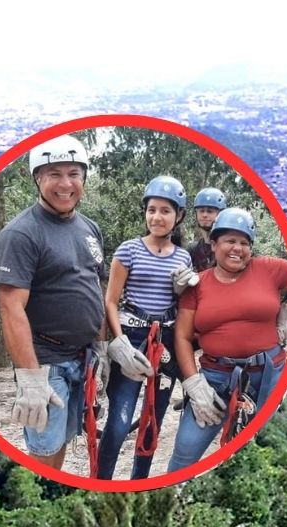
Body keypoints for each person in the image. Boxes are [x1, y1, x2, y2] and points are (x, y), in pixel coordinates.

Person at [0, 134, 108, 470]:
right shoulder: (21, 234)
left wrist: (100, 348)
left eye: (73, 173)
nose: (65, 184)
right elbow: (10, 307)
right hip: (46, 362)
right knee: (45, 451)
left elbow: (94, 286)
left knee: (66, 436)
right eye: (54, 174)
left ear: (84, 178)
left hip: (80, 356)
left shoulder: (89, 229)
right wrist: (30, 378)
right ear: (37, 178)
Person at [167, 207, 287, 472]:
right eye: (230, 241)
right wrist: (193, 382)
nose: (237, 248)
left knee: (260, 459)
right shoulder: (197, 284)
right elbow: (181, 336)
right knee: (185, 449)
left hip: (268, 374)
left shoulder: (269, 269)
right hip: (216, 377)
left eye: (244, 243)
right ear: (213, 244)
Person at [95, 175, 197, 479]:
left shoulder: (183, 257)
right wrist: (119, 341)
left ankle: (138, 483)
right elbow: (110, 301)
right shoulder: (129, 250)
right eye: (152, 209)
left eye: (165, 211)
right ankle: (101, 480)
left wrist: (183, 290)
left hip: (165, 339)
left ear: (178, 216)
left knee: (153, 419)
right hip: (133, 334)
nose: (157, 217)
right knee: (120, 420)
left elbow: (183, 306)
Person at [187, 187, 226, 271]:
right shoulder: (192, 250)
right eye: (201, 211)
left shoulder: (228, 247)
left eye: (210, 211)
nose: (204, 215)